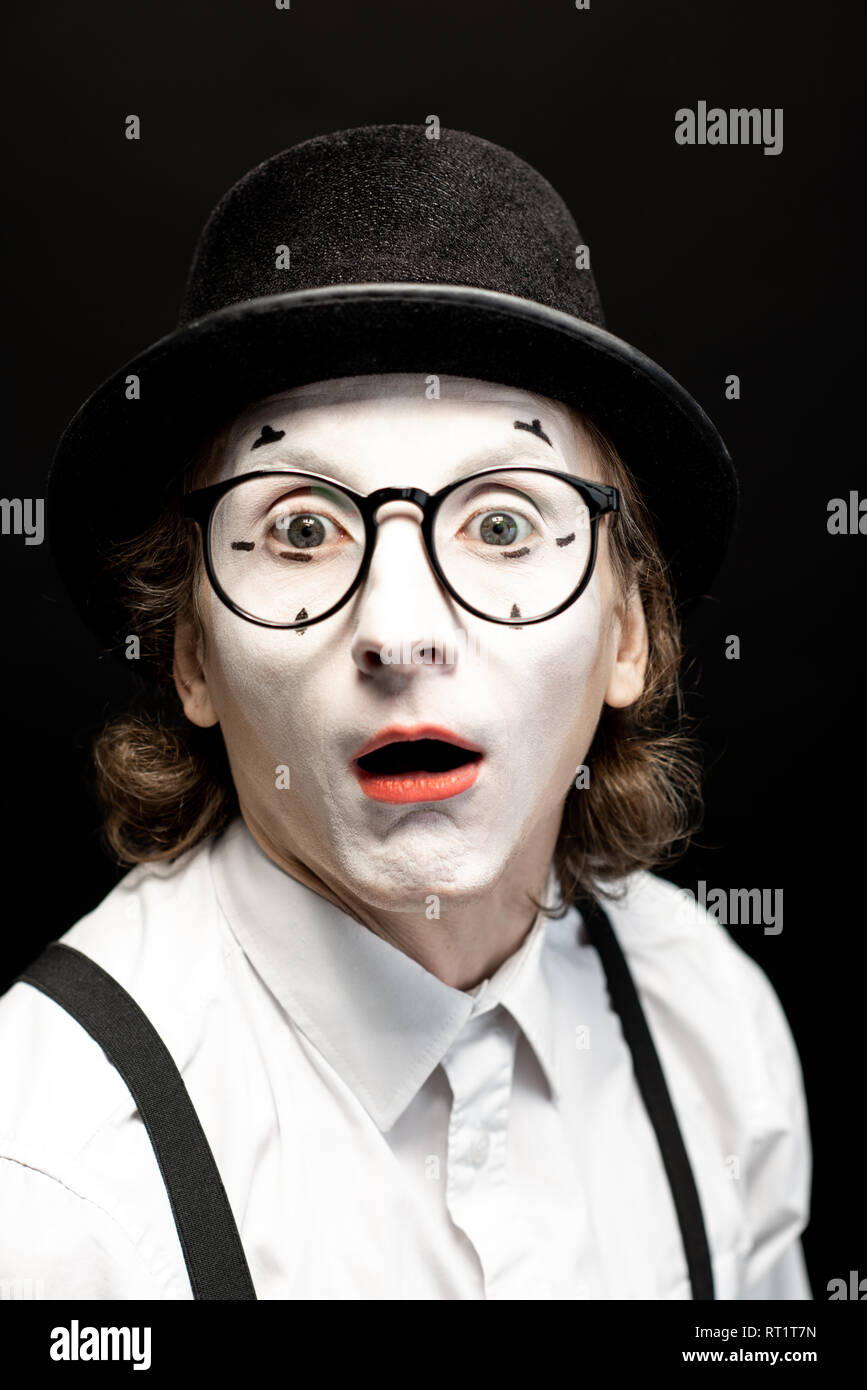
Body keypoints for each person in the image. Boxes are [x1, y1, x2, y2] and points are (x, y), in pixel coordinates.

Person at [0, 124, 810, 1300]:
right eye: (300, 529)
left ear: (627, 634)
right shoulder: (47, 1178)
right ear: (190, 654)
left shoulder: (716, 1030)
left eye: (501, 524)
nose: (397, 630)